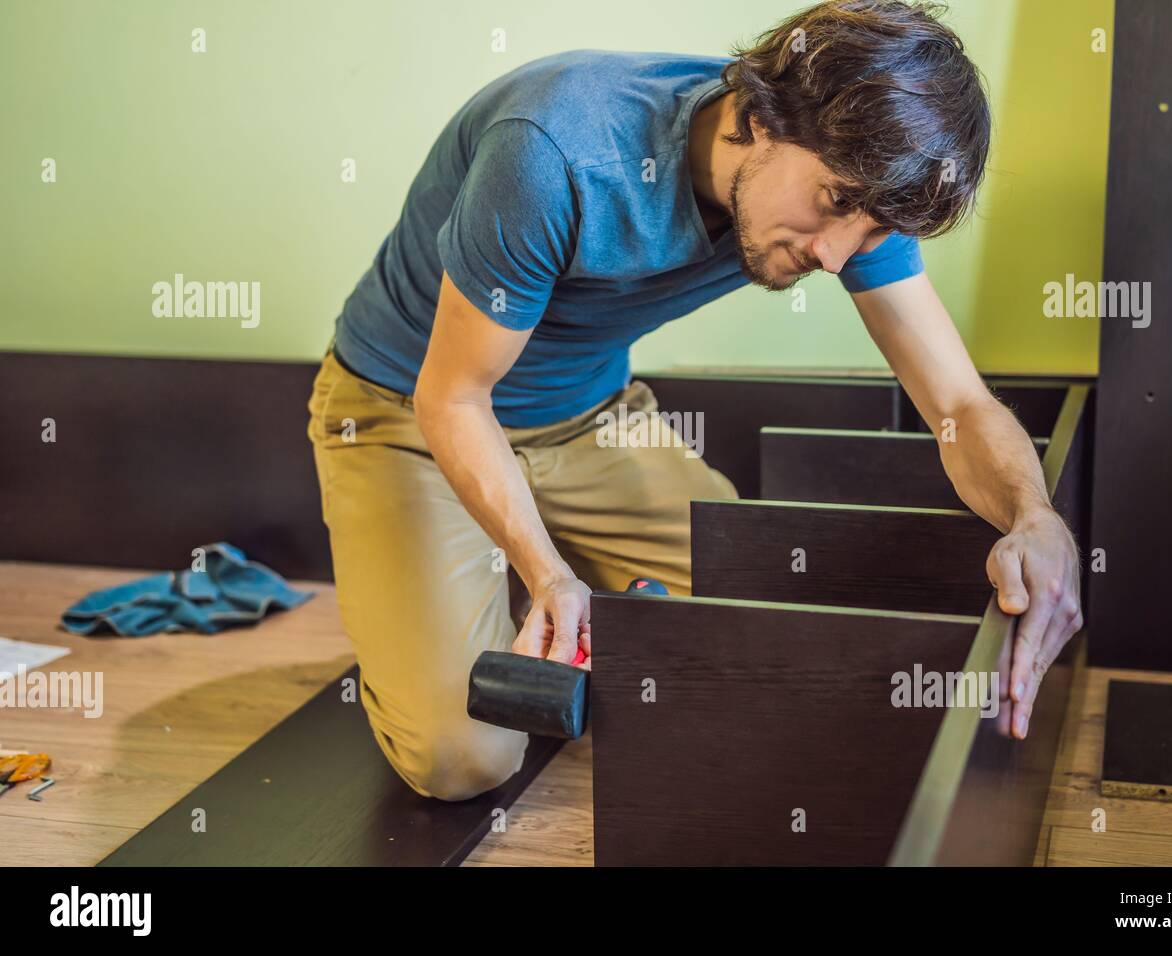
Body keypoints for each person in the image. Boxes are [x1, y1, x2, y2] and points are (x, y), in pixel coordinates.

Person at [307, 0, 1083, 800]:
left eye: (872, 229)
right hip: (407, 413)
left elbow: (958, 401)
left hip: (585, 418)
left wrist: (1036, 516)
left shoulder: (866, 191)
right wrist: (546, 573)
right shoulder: (553, 150)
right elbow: (456, 399)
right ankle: (474, 585)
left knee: (765, 618)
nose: (833, 254)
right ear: (758, 118)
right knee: (464, 757)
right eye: (835, 203)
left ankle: (508, 584)